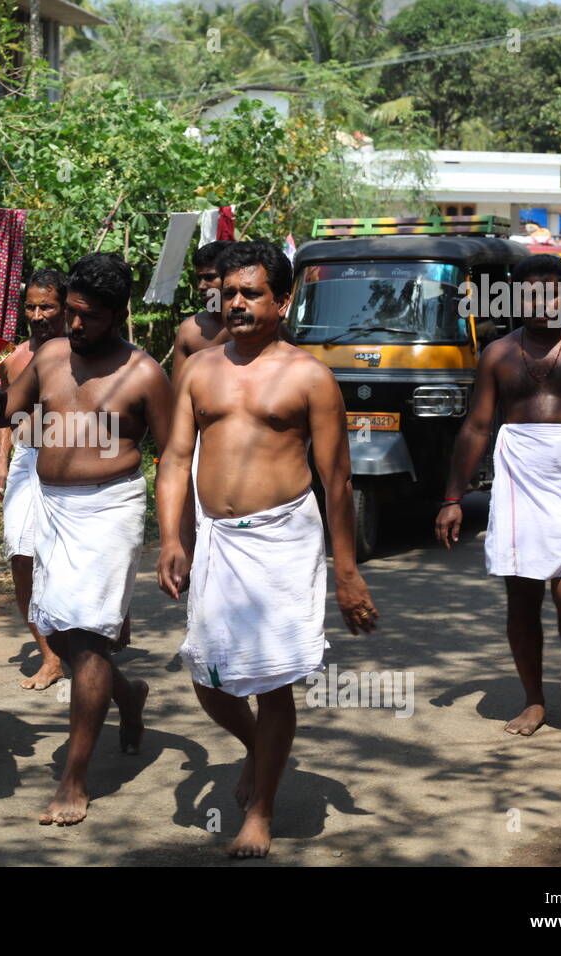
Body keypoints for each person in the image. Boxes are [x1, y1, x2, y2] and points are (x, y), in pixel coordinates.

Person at [155, 241, 377, 859]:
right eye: (228, 293)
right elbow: (173, 458)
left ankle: (261, 810)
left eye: (250, 293)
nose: (236, 303)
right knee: (209, 675)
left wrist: (347, 574)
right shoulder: (199, 369)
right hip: (216, 541)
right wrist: (172, 537)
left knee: (272, 682)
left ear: (283, 300)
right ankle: (260, 748)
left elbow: (337, 481)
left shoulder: (310, 376)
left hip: (283, 539)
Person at [0, 253, 165, 826]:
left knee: (88, 642)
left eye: (90, 316)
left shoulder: (145, 374)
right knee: (62, 628)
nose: (76, 326)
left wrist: (178, 534)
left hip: (110, 508)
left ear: (119, 313)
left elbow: (175, 453)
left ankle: (74, 779)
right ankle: (128, 696)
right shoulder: (50, 356)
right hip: (50, 504)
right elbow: (15, 415)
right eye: (72, 314)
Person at [436, 254, 561, 737]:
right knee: (522, 596)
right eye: (528, 292)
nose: (539, 300)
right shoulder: (499, 354)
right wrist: (452, 498)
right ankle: (533, 698)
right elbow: (477, 427)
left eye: (550, 291)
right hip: (517, 484)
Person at [0, 268, 70, 691]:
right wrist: (2, 460)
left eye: (47, 306)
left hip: (72, 462)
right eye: (31, 306)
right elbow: (8, 413)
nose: (37, 315)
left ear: (65, 307)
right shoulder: (16, 357)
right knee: (22, 557)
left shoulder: (80, 353)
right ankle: (49, 654)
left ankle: (87, 634)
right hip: (25, 460)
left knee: (68, 558)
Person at [171, 239, 234, 382]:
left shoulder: (262, 327)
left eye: (210, 277)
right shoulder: (190, 330)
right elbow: (177, 391)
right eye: (199, 278)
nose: (201, 286)